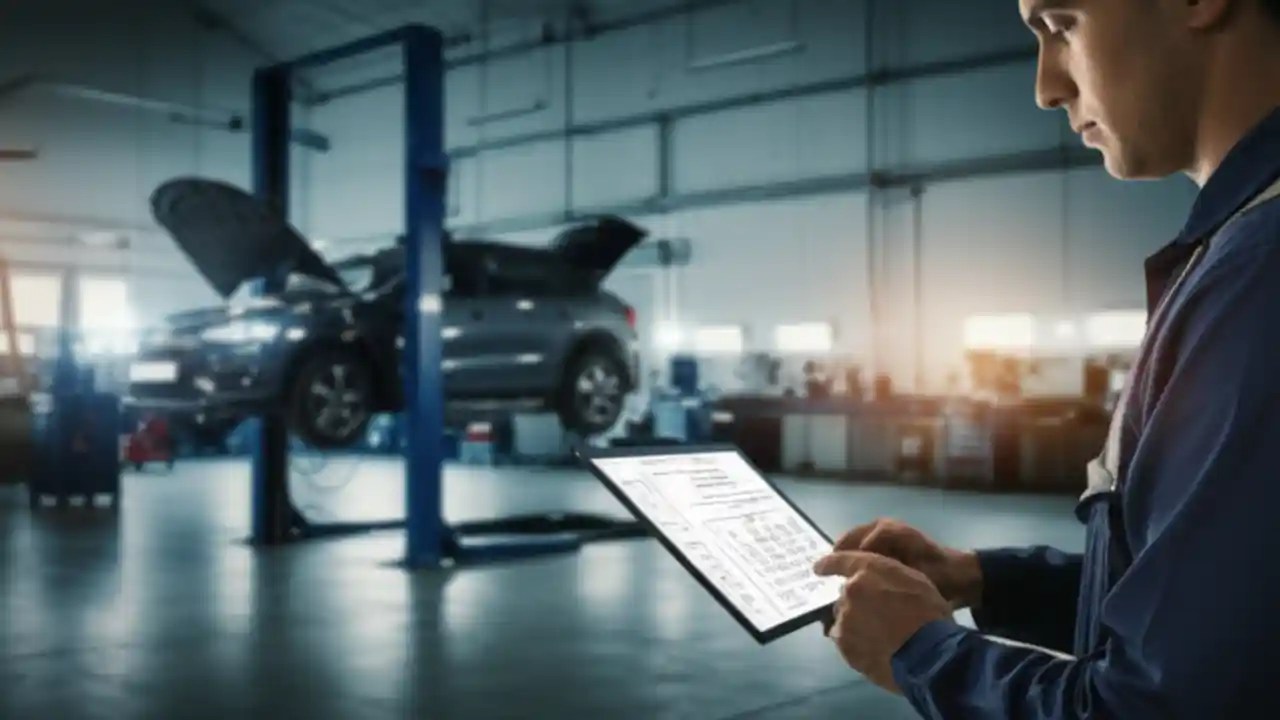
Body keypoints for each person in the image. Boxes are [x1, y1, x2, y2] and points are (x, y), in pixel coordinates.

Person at [812, 0, 1280, 717]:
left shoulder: (1258, 275)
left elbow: (1162, 707)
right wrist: (983, 579)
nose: (1045, 87)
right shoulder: (1236, 256)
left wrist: (922, 651)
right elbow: (1221, 616)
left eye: (1061, 24)